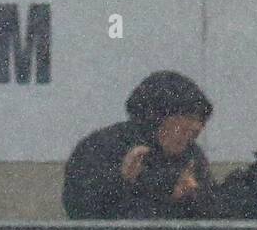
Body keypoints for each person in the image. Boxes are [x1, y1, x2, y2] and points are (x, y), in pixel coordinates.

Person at [62, 71, 215, 219]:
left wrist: (192, 198)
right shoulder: (100, 147)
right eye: (188, 117)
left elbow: (208, 220)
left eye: (200, 120)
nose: (196, 127)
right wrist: (120, 180)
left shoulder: (191, 156)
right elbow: (79, 209)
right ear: (155, 116)